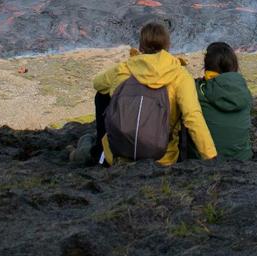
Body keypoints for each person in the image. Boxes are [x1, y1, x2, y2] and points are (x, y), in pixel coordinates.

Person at [90, 20, 216, 166]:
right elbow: (193, 117)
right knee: (184, 109)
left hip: (119, 154)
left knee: (101, 95)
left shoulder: (124, 68)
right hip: (162, 158)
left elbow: (97, 83)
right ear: (167, 46)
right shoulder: (179, 75)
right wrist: (211, 158)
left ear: (140, 46)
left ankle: (100, 151)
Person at [190, 42, 253, 161]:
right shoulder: (243, 90)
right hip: (243, 158)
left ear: (207, 64)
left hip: (205, 160)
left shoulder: (196, 90)